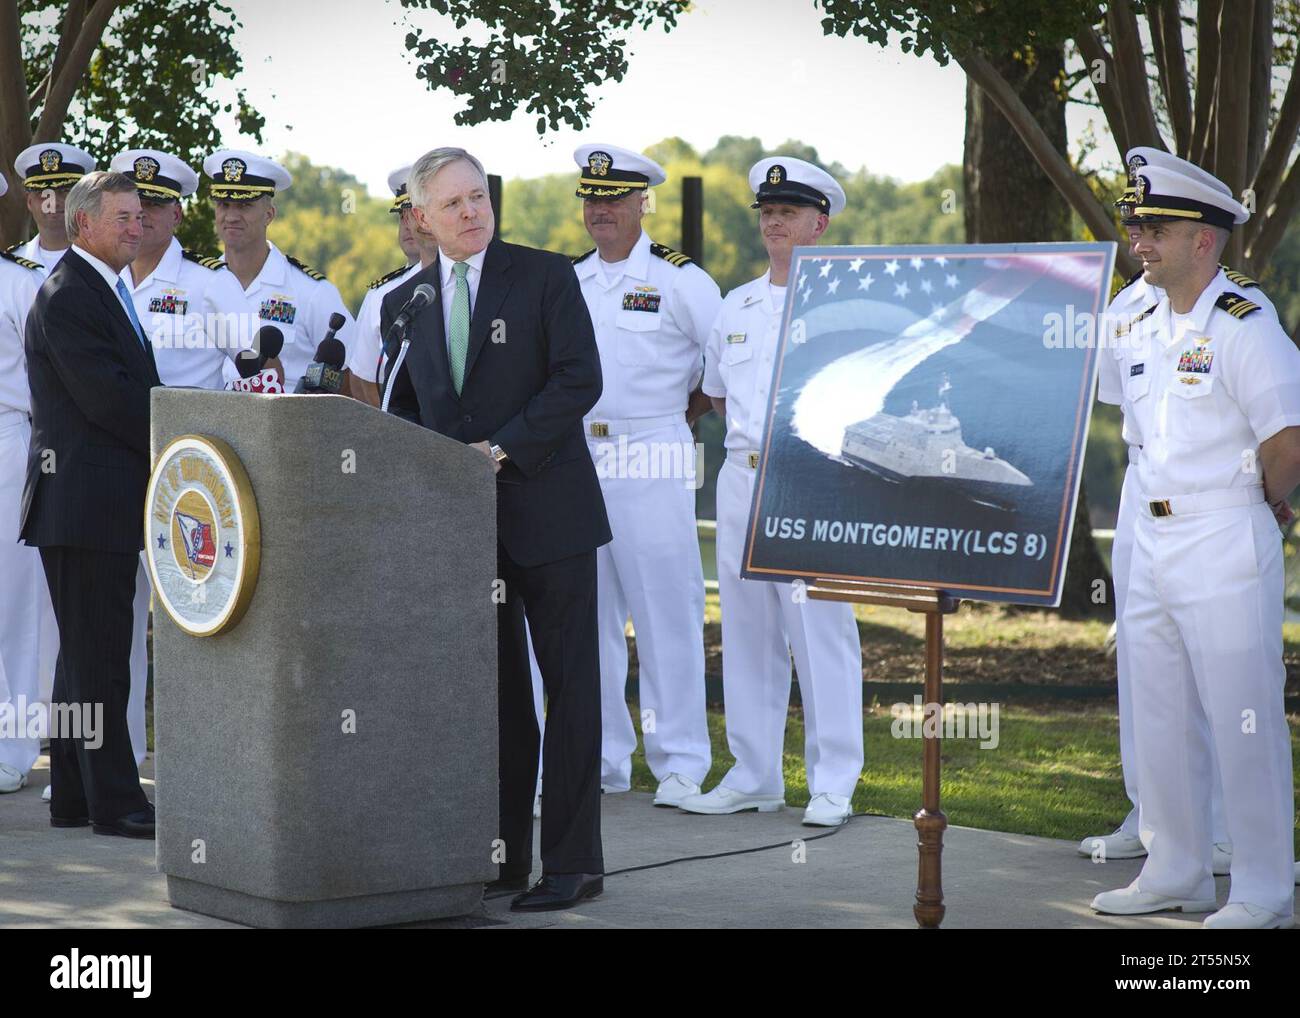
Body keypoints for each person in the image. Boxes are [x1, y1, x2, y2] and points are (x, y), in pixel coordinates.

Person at [382, 147, 610, 912]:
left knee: (571, 691)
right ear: (421, 219)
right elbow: (407, 410)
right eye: (452, 205)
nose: (472, 212)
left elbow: (579, 377)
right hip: (467, 531)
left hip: (554, 516)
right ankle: (505, 859)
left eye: (478, 196)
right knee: (501, 700)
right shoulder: (402, 304)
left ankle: (575, 865)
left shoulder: (547, 276)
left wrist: (502, 447)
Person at [1090, 157, 1300, 928]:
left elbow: (1288, 439)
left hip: (1222, 530)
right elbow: (1119, 416)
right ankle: (1174, 866)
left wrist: (1259, 502)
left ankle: (1264, 890)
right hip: (1148, 532)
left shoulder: (1245, 322)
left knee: (1243, 712)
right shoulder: (1133, 316)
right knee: (1161, 707)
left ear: (1204, 240)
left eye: (1156, 228)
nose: (1139, 239)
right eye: (1136, 225)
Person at [681, 157, 864, 827]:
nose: (774, 221)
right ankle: (754, 772)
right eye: (767, 211)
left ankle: (834, 778)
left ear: (820, 223)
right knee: (748, 628)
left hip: (812, 479)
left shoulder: (846, 305)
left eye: (788, 211)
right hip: (741, 475)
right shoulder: (737, 304)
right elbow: (722, 399)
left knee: (819, 631)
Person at [569, 143, 718, 806]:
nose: (601, 210)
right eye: (592, 198)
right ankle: (604, 758)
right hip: (578, 457)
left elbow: (718, 376)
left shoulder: (682, 281)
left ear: (641, 202)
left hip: (654, 451)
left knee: (666, 612)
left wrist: (674, 423)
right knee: (587, 618)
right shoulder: (568, 281)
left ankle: (680, 761)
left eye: (614, 197)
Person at [19, 170, 161, 838]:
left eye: (140, 216)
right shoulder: (71, 294)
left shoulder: (106, 288)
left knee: (82, 658)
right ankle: (118, 803)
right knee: (100, 659)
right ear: (84, 225)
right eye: (125, 218)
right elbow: (109, 399)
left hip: (96, 503)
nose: (139, 227)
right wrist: (179, 435)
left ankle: (75, 796)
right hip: (82, 502)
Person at [106, 148, 250, 771]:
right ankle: (114, 765)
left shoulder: (209, 285)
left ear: (177, 213)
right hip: (115, 469)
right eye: (134, 209)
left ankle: (196, 769)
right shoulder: (103, 283)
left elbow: (253, 375)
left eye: (156, 206)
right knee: (113, 622)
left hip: (188, 477)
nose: (143, 220)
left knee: (192, 620)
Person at [201, 149, 354, 385]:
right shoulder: (199, 284)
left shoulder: (311, 292)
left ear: (269, 215)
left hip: (289, 420)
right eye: (224, 204)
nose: (231, 216)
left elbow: (352, 377)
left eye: (244, 206)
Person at [0, 172, 45, 794]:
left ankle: (15, 746)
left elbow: (45, 382)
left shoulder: (21, 284)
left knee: (14, 605)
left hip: (8, 441)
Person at [348, 163, 430, 406]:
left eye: (417, 214)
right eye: (403, 216)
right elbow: (361, 381)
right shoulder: (381, 295)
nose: (408, 225)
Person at [6, 143, 95, 272]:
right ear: (29, 201)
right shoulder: (8, 266)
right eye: (43, 193)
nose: (53, 202)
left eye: (64, 190)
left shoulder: (105, 259)